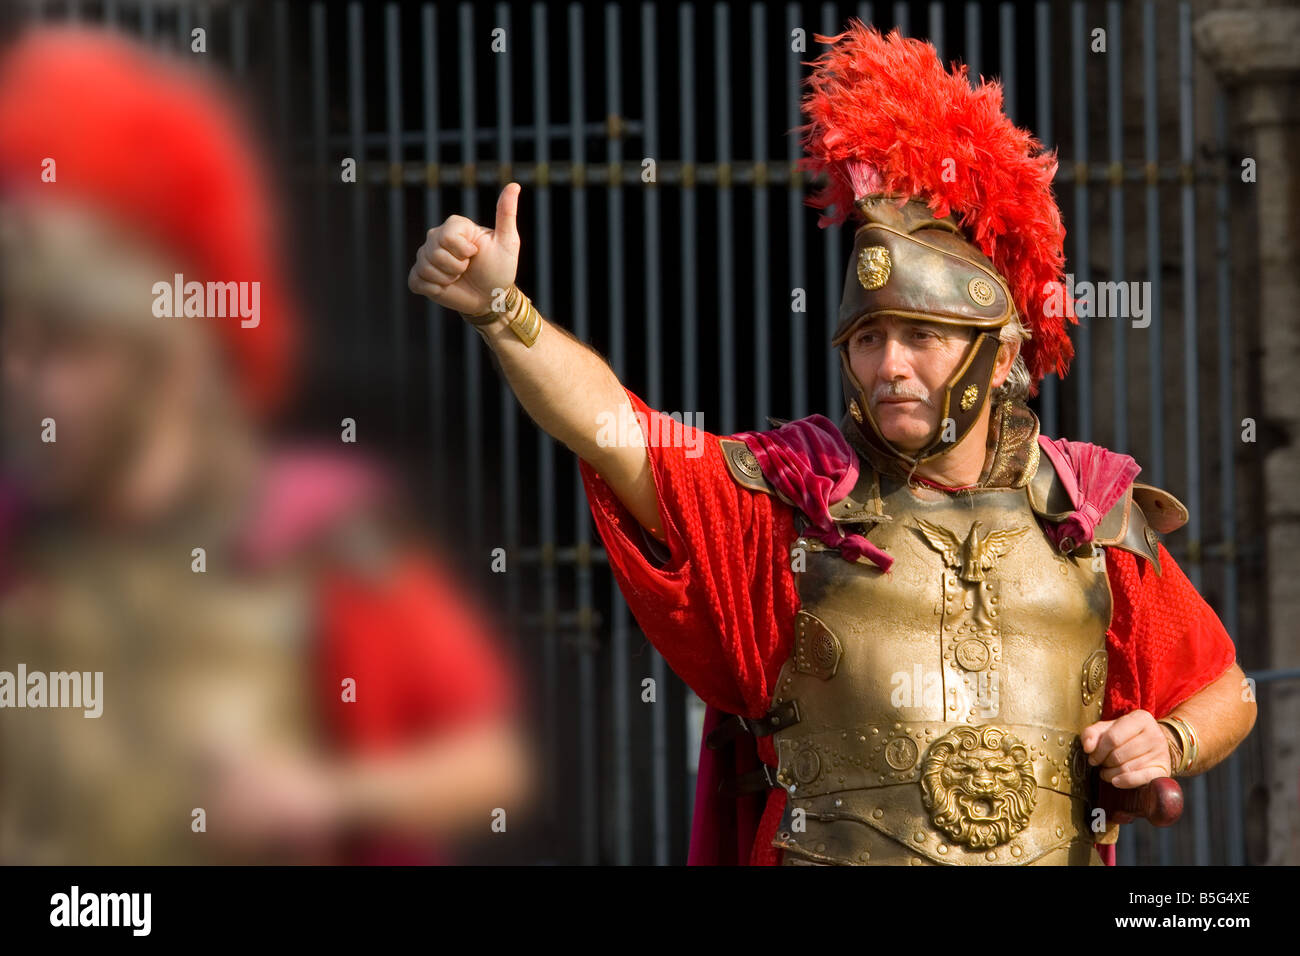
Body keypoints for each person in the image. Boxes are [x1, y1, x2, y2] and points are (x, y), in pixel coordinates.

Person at [409, 22, 1255, 865]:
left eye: (920, 336)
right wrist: (501, 312)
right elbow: (615, 430)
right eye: (866, 339)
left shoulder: (1087, 517)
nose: (889, 366)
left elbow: (1228, 690)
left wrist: (1168, 741)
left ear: (1002, 357)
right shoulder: (788, 507)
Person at [0, 24, 531, 865]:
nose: (23, 378)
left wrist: (325, 793)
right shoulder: (18, 532)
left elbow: (489, 761)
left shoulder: (319, 530)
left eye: (62, 346)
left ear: (163, 357)